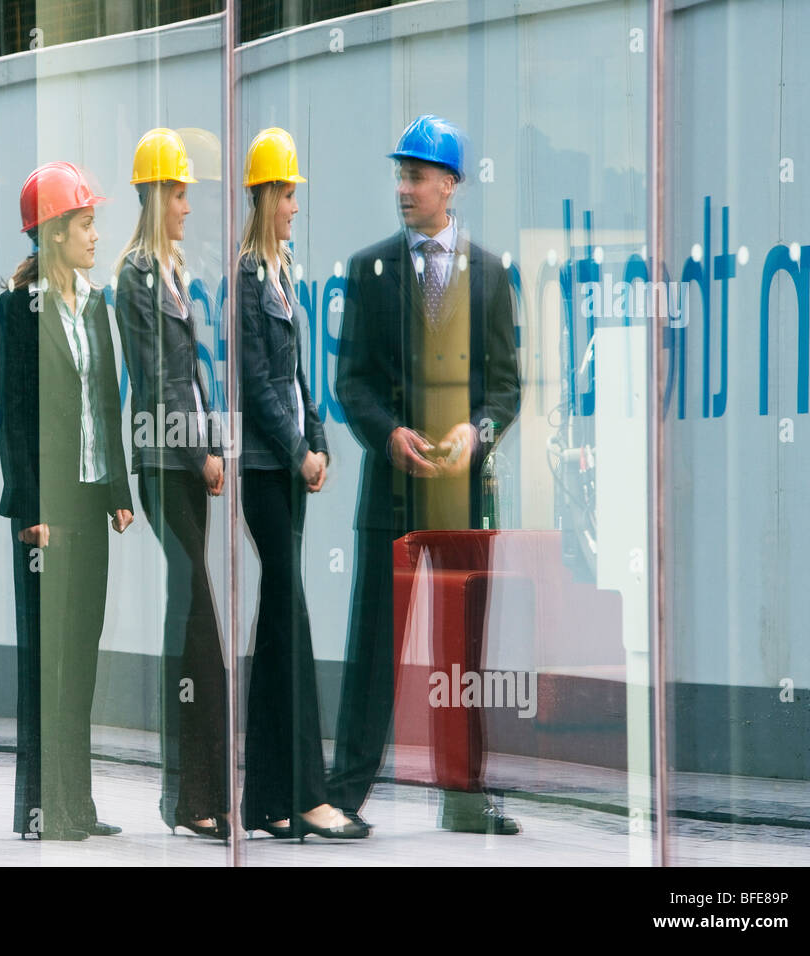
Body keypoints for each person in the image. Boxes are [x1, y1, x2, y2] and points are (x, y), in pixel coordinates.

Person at [329, 114, 521, 834]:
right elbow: (352, 382)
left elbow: (506, 386)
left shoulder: (492, 273)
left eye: (416, 176)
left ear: (449, 185)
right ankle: (342, 795)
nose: (404, 189)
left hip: (461, 497)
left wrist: (482, 431)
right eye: (400, 176)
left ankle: (465, 797)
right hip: (392, 494)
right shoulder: (369, 270)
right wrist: (388, 435)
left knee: (460, 652)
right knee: (373, 650)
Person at [235, 129, 368, 841]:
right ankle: (309, 796)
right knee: (294, 621)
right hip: (264, 472)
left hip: (288, 466)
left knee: (280, 625)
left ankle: (266, 802)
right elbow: (256, 384)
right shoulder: (247, 278)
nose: (294, 207)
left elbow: (296, 378)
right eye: (287, 195)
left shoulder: (283, 271)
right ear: (264, 196)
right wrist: (295, 451)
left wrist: (318, 439)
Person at [0, 162, 134, 842]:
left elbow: (106, 402)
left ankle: (76, 803)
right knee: (43, 660)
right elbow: (13, 416)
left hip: (88, 502)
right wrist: (29, 511)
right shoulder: (17, 309)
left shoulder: (95, 303)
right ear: (53, 235)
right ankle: (39, 804)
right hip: (46, 513)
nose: (94, 235)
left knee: (81, 655)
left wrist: (119, 492)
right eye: (84, 224)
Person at [114, 128, 228, 839]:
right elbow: (159, 382)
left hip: (183, 460)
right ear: (156, 194)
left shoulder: (171, 270)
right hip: (163, 463)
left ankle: (188, 795)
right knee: (196, 630)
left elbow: (190, 377)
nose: (188, 205)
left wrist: (212, 443)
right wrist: (201, 453)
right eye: (180, 192)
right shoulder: (137, 275)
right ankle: (192, 797)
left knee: (192, 624)